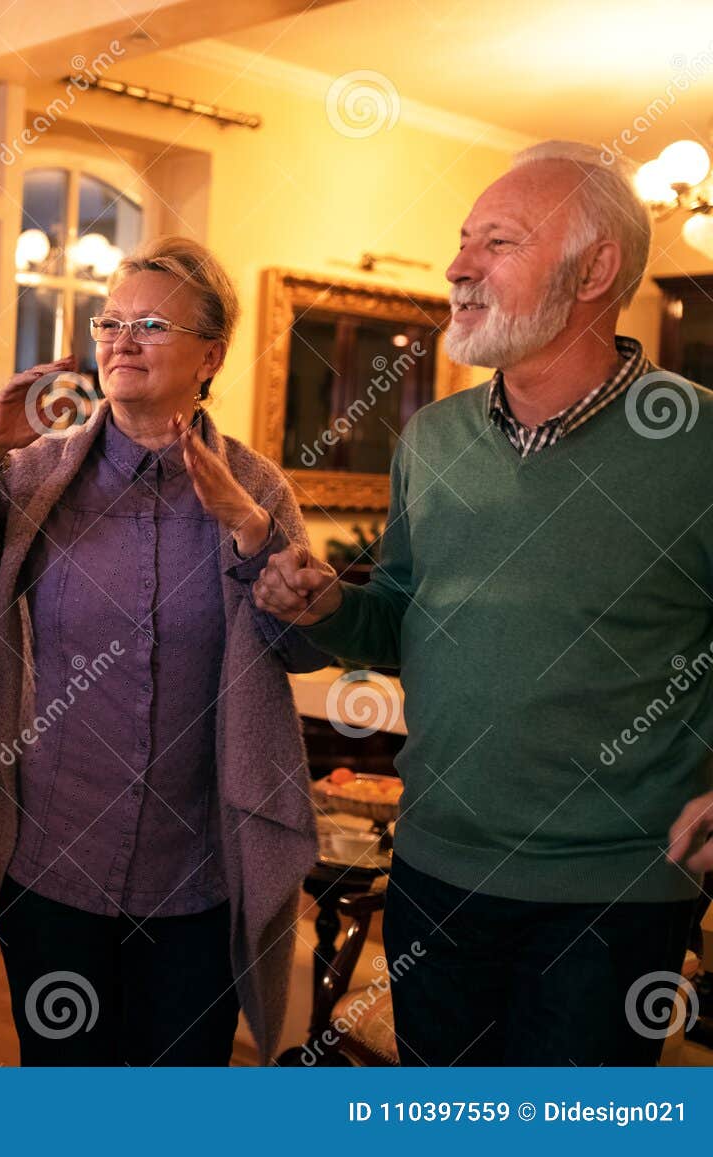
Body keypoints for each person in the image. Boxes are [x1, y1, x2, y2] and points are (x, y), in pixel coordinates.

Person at [254, 141, 713, 1065]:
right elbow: (399, 611)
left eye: (496, 242)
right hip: (434, 869)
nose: (459, 266)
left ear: (597, 269)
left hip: (615, 896)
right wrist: (325, 611)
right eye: (462, 241)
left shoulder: (696, 441)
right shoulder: (432, 435)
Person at [0, 235, 328, 1065]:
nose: (120, 339)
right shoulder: (37, 473)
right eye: (109, 321)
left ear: (211, 354)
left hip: (196, 880)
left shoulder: (257, 489)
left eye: (151, 323)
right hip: (51, 871)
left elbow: (301, 648)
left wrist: (251, 533)